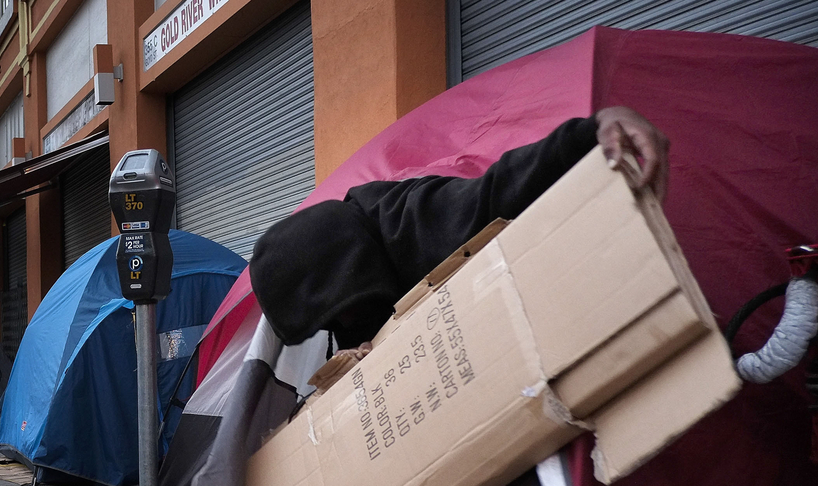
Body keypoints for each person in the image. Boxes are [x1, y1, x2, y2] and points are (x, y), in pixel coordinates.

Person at [249, 107, 670, 349]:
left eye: (342, 311)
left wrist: (591, 132)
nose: (345, 321)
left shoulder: (413, 221)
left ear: (345, 269)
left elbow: (494, 193)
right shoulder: (351, 288)